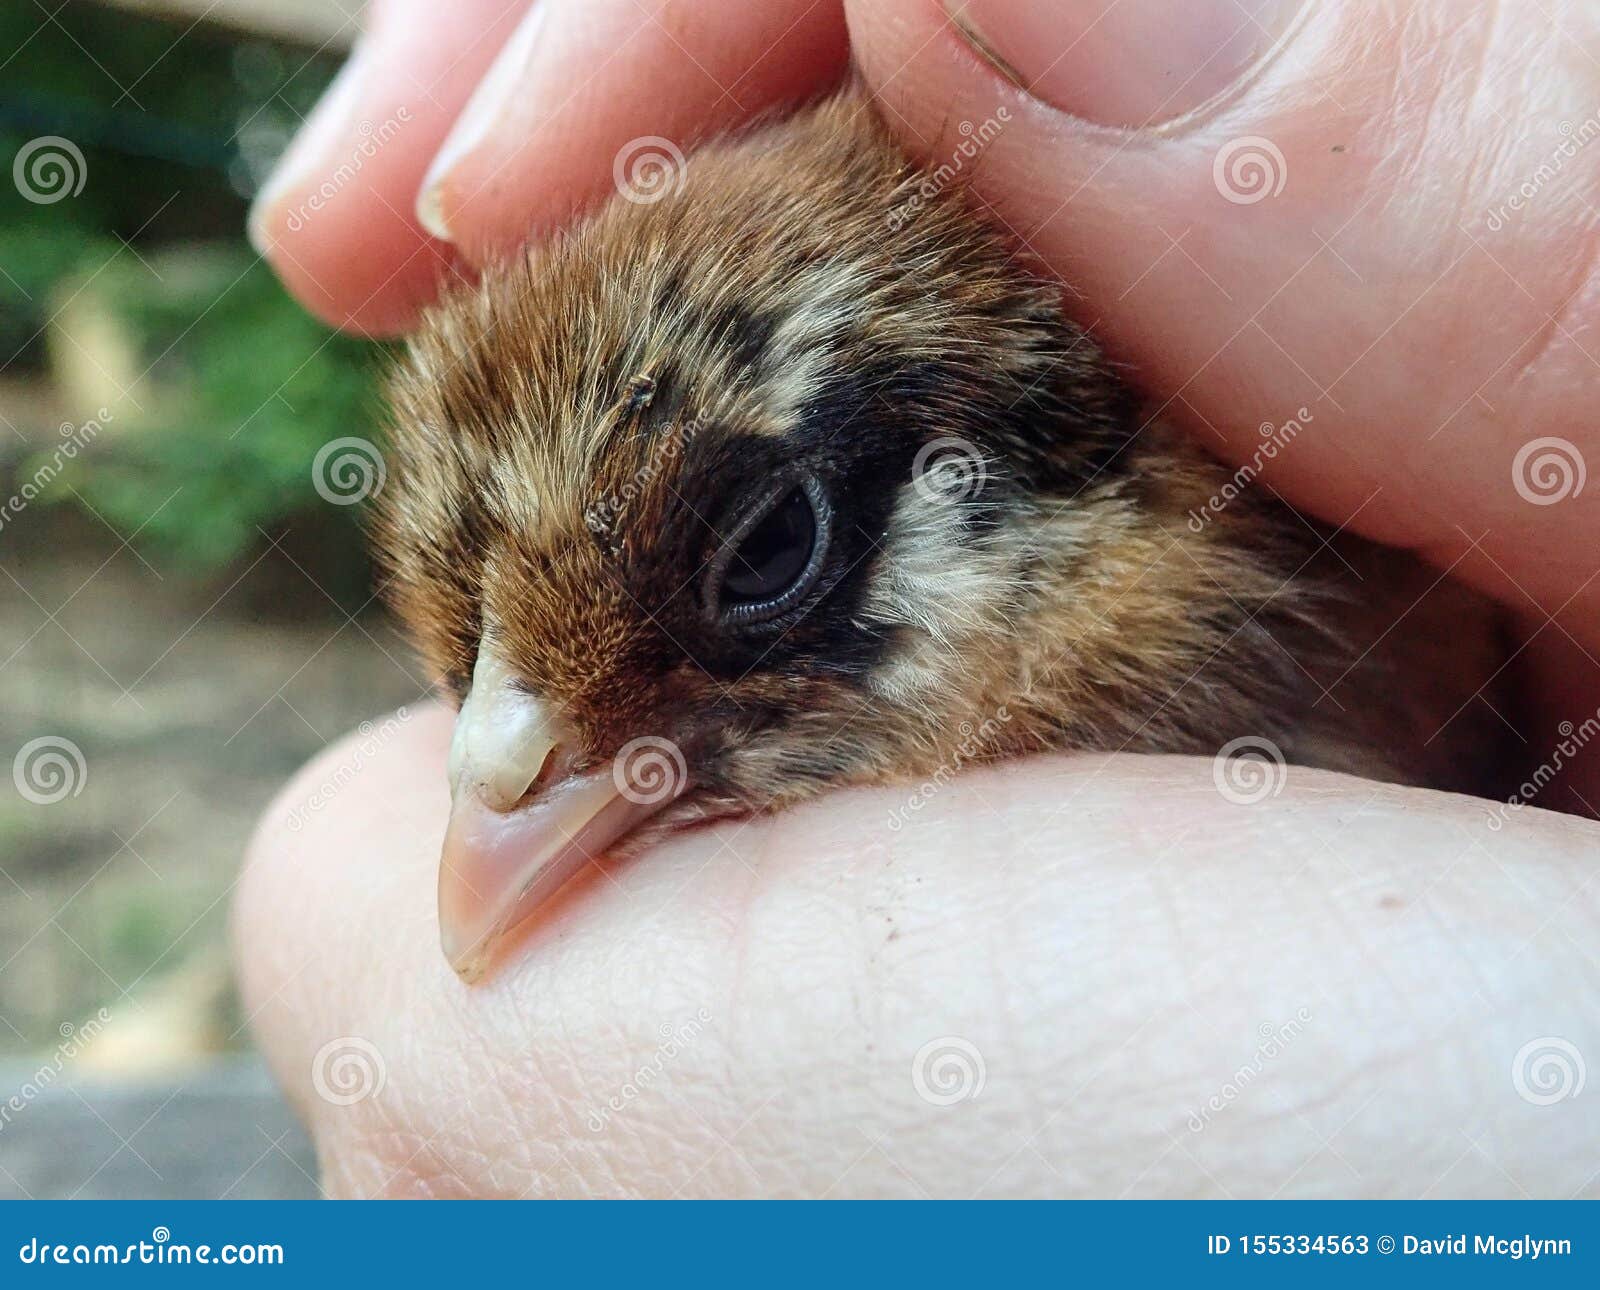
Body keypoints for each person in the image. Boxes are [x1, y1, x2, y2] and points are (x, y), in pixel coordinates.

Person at [242, 0, 1600, 1198]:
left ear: (1014, 449)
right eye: (475, 665)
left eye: (763, 560)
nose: (495, 773)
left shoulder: (1253, 532)